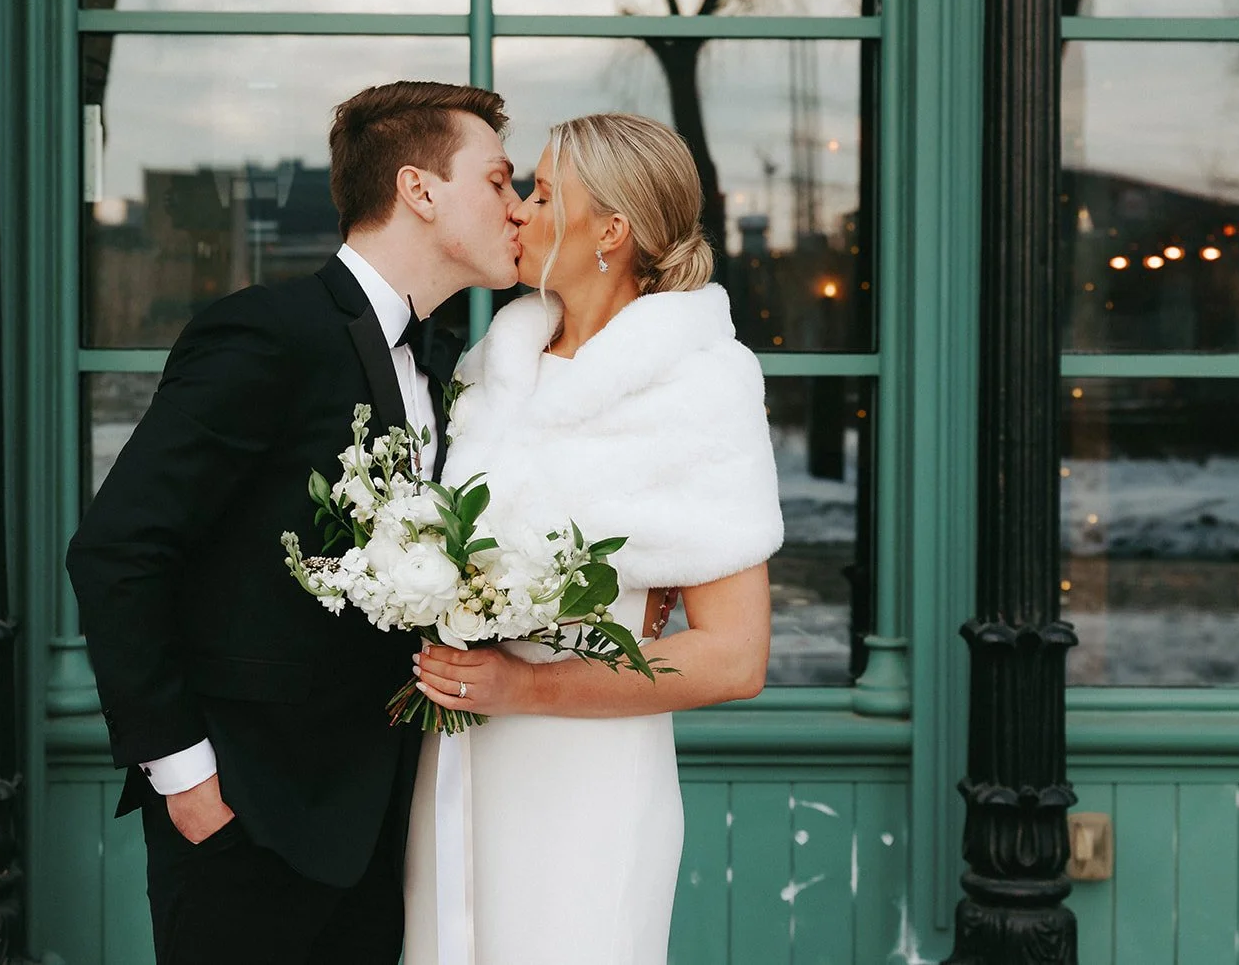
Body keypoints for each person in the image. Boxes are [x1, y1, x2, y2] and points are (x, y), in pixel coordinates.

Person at [65, 80, 522, 965]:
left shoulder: (439, 365)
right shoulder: (267, 333)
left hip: (381, 830)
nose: (516, 204)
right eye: (498, 180)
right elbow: (119, 549)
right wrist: (186, 778)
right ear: (419, 190)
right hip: (249, 819)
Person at [402, 113, 783, 965]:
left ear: (611, 231)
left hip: (590, 776)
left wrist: (527, 686)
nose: (518, 209)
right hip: (458, 762)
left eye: (543, 194)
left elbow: (735, 657)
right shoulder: (493, 367)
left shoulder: (699, 385)